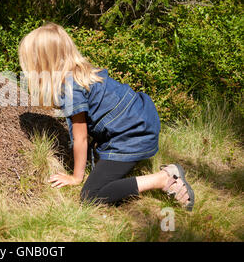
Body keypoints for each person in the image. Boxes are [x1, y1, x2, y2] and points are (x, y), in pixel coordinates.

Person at [18, 22, 195, 211]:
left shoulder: (69, 89)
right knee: (100, 180)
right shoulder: (82, 72)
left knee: (91, 196)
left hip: (131, 137)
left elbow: (81, 138)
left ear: (43, 62)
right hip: (140, 122)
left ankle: (163, 178)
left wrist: (76, 177)